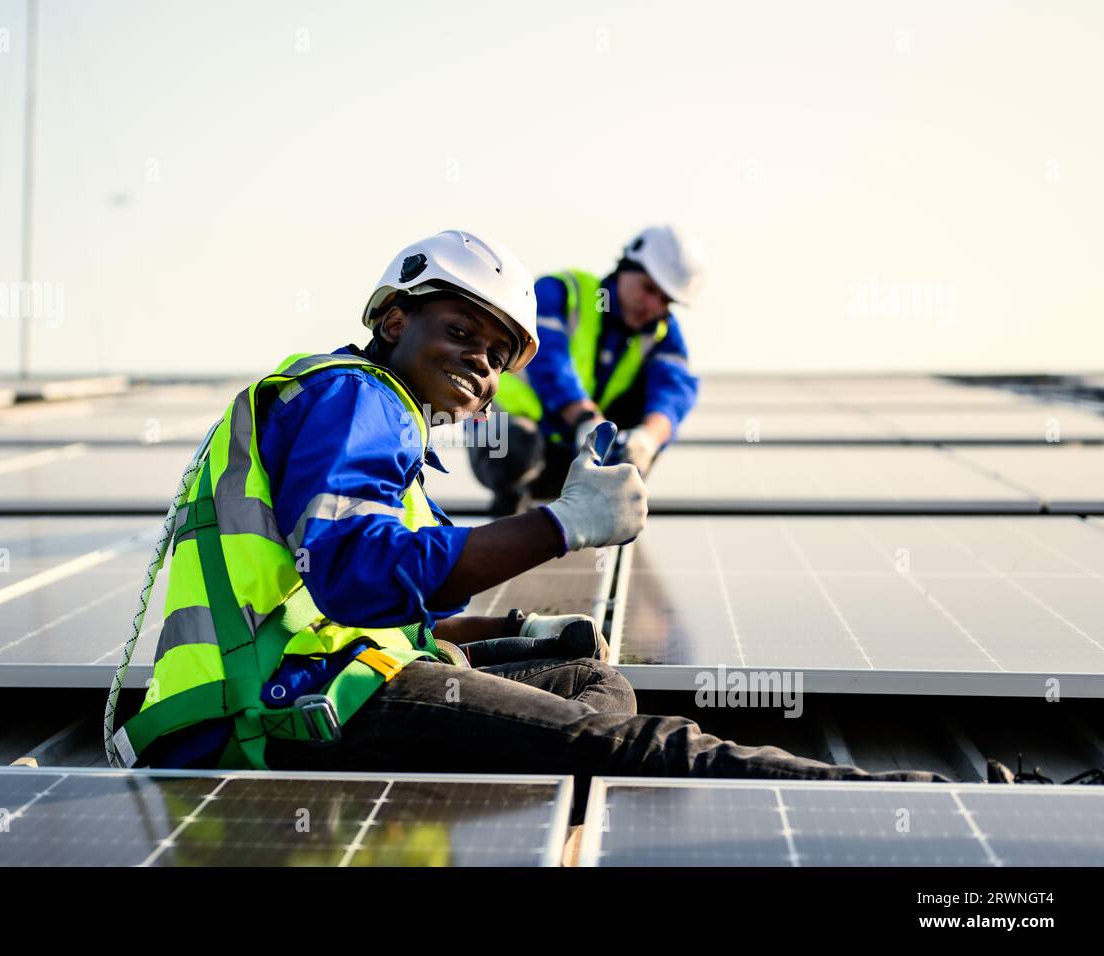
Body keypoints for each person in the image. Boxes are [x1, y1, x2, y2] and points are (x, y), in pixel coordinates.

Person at [112, 228, 949, 816]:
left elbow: (387, 606)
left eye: (500, 354)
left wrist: (517, 630)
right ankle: (925, 804)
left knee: (589, 680)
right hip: (275, 704)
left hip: (328, 674)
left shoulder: (388, 434)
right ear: (394, 320)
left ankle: (542, 767)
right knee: (630, 745)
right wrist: (563, 525)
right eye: (463, 332)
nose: (482, 364)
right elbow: (352, 574)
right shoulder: (355, 395)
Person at [469, 224, 704, 516]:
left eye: (666, 300)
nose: (653, 305)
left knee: (641, 435)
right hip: (507, 432)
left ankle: (598, 511)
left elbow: (675, 388)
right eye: (649, 288)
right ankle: (511, 507)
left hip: (573, 446)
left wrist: (648, 438)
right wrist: (583, 416)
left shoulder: (661, 333)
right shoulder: (564, 293)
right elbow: (548, 360)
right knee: (516, 450)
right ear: (626, 267)